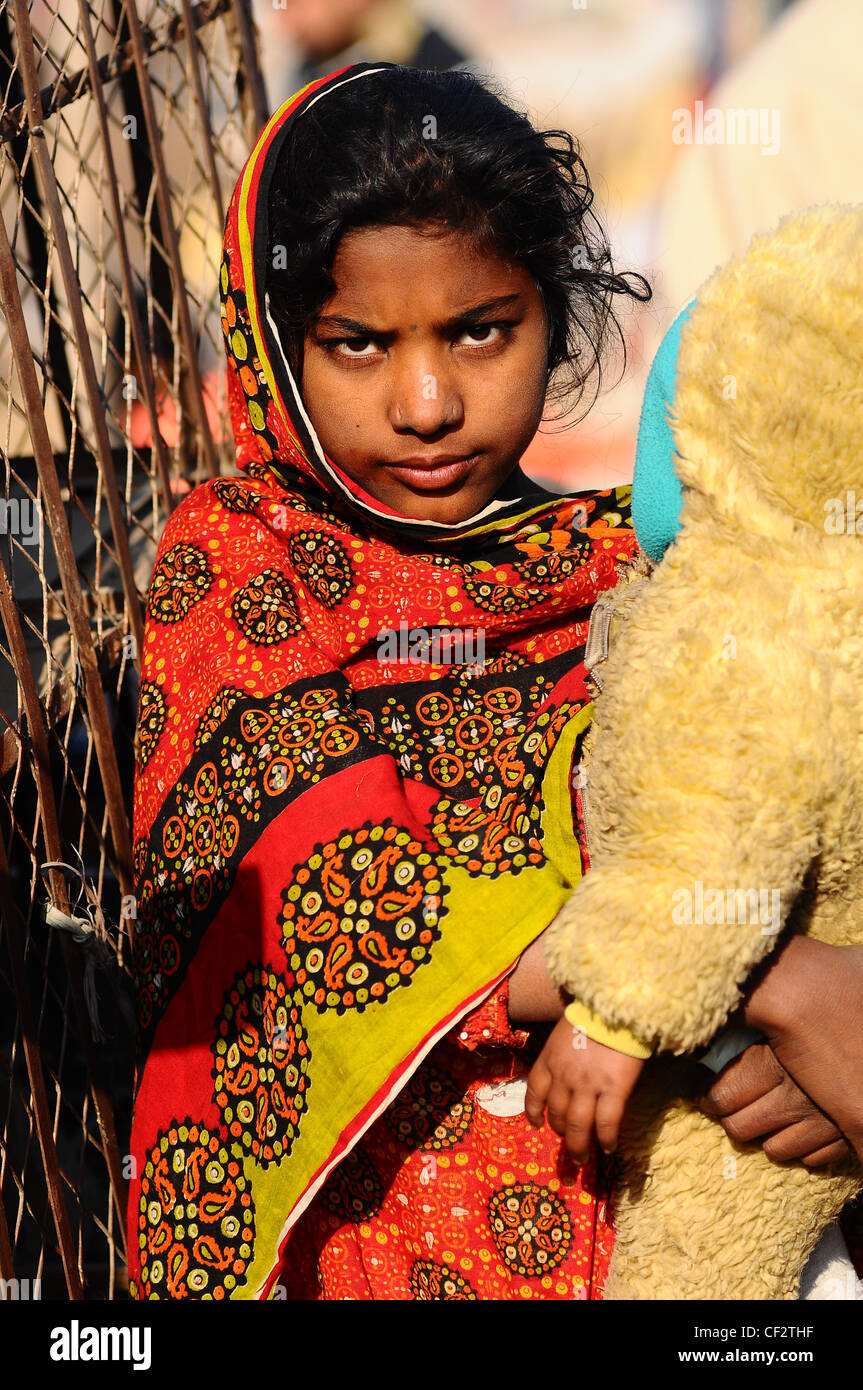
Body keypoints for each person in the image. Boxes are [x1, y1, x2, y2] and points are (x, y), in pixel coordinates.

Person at [126, 59, 654, 1301]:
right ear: (273, 345)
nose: (427, 403)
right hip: (376, 1244)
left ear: (554, 312)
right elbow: (301, 900)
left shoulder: (627, 565)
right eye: (357, 345)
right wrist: (659, 978)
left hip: (653, 1221)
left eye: (481, 331)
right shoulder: (246, 565)